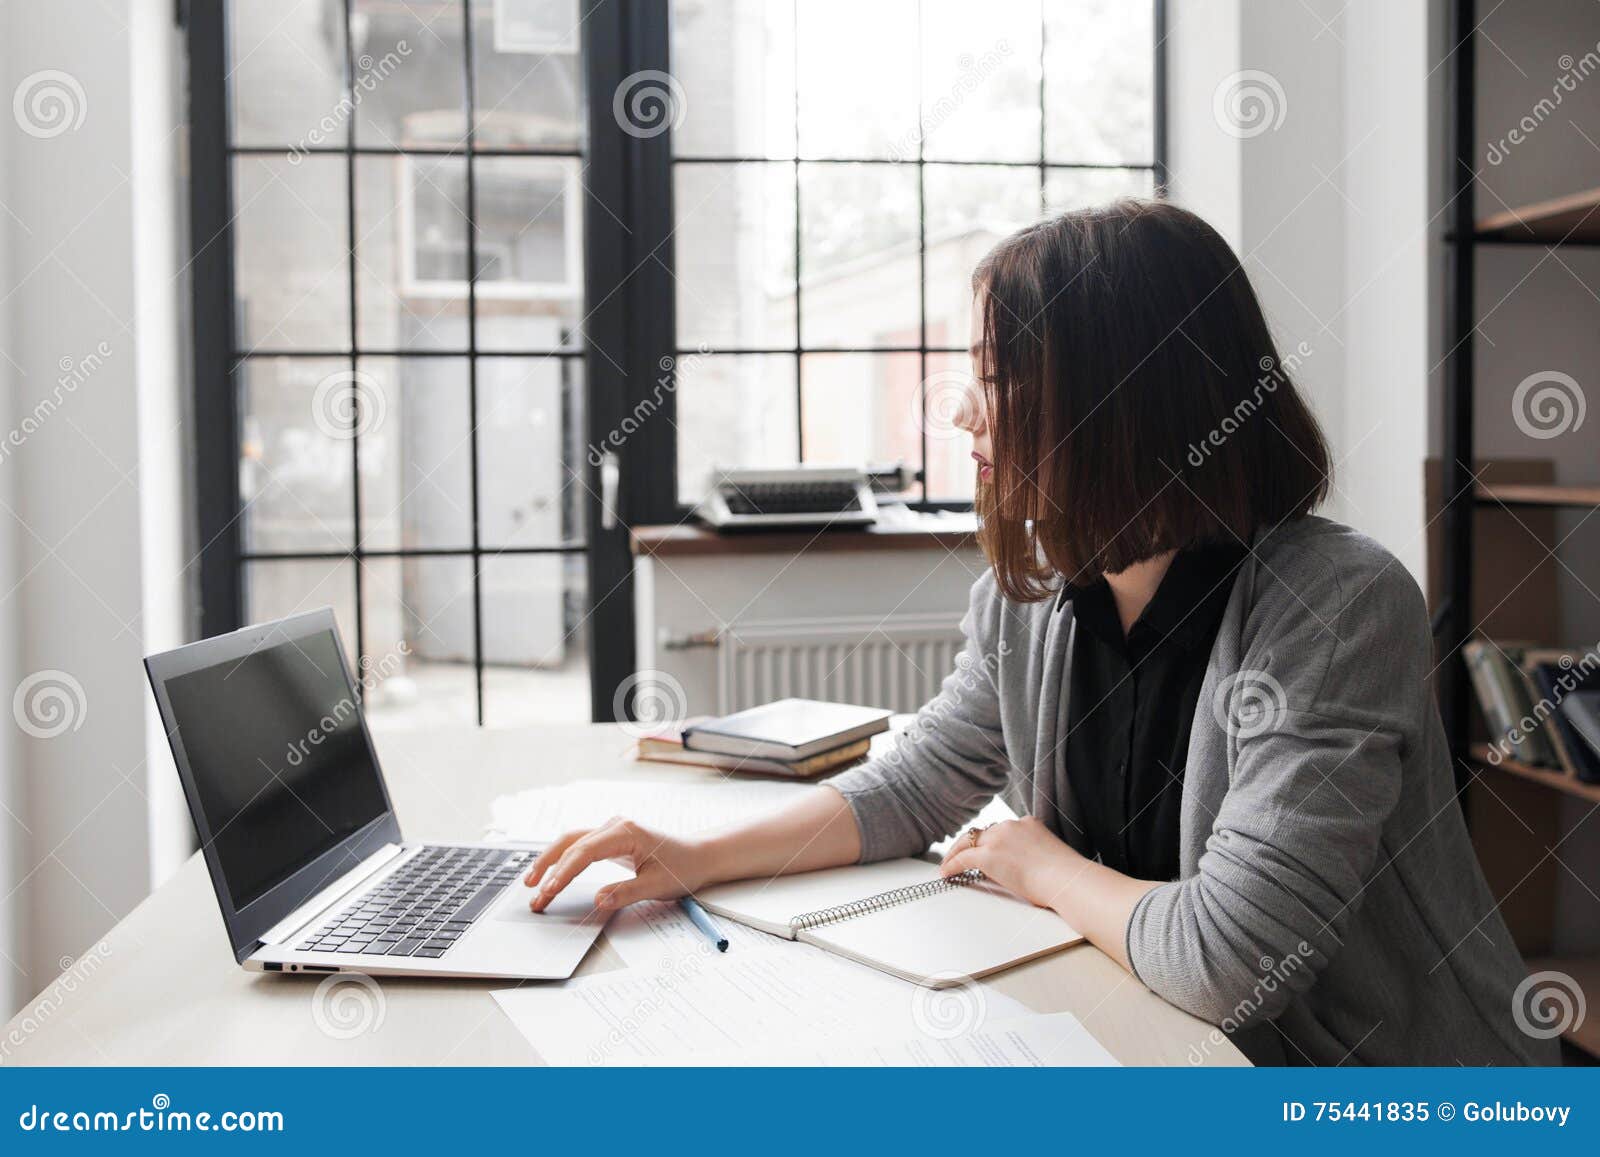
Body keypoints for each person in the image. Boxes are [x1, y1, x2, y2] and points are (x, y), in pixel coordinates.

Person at [523, 200, 1552, 1066]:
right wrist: (690, 855)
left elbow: (1230, 959)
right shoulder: (1037, 596)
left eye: (998, 376)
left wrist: (1036, 862)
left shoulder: (1336, 608)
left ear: (1124, 399)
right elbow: (914, 784)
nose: (965, 415)